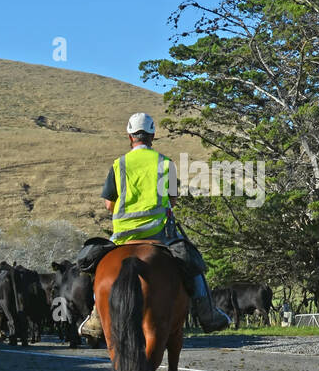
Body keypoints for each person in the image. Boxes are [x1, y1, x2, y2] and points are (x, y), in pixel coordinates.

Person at [77, 112, 231, 337]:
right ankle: (208, 313)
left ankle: (96, 317)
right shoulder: (165, 163)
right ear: (152, 136)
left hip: (122, 236)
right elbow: (173, 201)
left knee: (96, 267)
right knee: (193, 265)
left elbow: (109, 205)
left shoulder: (118, 164)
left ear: (130, 137)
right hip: (158, 234)